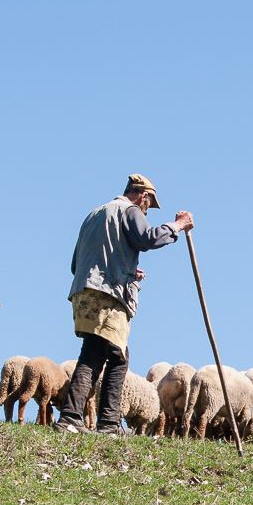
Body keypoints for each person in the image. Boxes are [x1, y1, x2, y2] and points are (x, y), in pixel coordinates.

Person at [54, 174, 193, 434]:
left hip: (84, 292)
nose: (146, 210)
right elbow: (148, 238)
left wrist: (128, 268)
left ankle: (100, 421)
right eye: (148, 206)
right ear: (144, 196)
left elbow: (78, 262)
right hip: (108, 294)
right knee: (108, 356)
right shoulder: (129, 210)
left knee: (104, 353)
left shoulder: (94, 214)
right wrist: (177, 225)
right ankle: (83, 419)